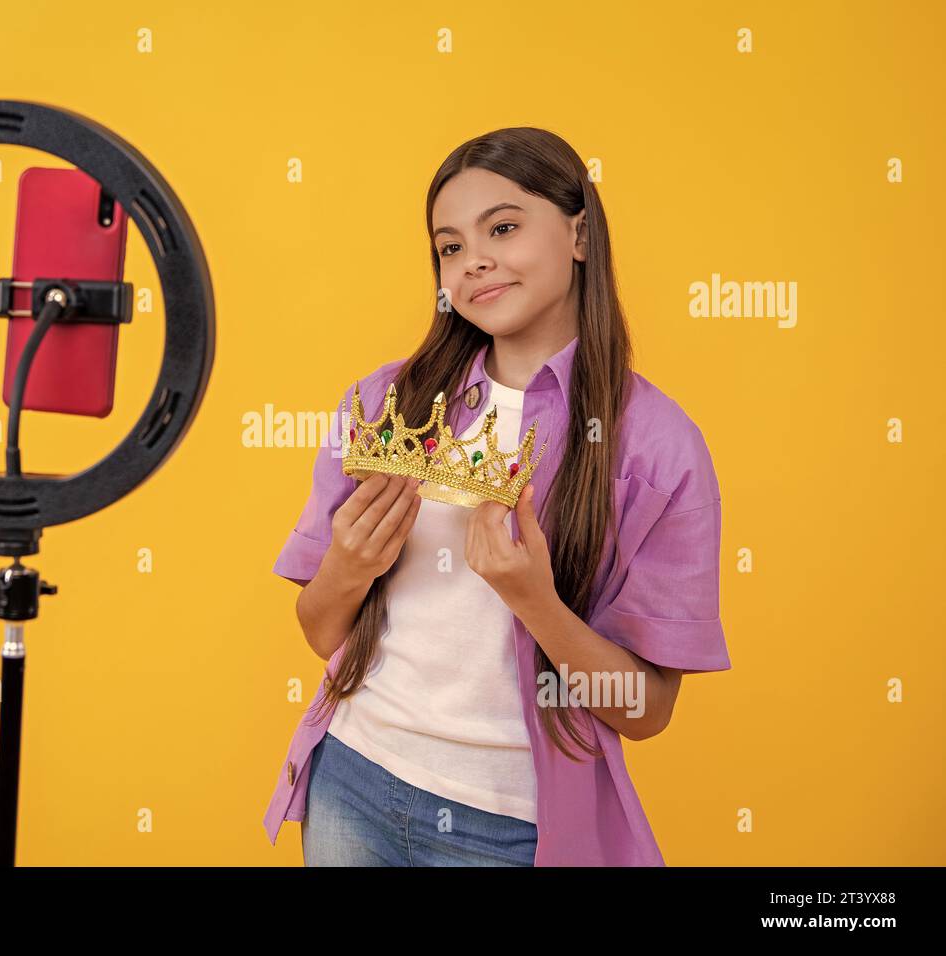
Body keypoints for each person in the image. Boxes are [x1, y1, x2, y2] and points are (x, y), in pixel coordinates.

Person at [263, 127, 732, 866]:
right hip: (350, 777)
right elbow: (322, 632)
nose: (473, 260)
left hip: (509, 826)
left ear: (580, 234)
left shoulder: (659, 449)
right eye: (449, 247)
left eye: (503, 228)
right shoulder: (387, 404)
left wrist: (535, 601)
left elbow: (645, 713)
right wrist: (348, 567)